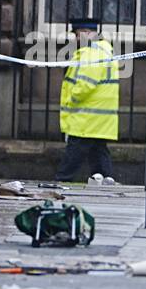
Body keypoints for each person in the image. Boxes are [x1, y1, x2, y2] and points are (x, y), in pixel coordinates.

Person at [56, 17, 119, 181]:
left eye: (78, 34)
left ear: (87, 33)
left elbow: (86, 83)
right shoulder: (103, 49)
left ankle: (62, 179)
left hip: (86, 114)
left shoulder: (92, 51)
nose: (76, 39)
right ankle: (105, 177)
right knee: (98, 148)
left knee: (76, 150)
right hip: (99, 114)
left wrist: (72, 98)